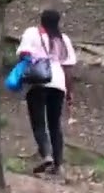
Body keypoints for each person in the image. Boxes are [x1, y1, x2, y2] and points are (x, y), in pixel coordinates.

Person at [16, 9, 77, 175]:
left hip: (38, 81)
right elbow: (68, 68)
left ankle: (47, 155)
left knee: (38, 122)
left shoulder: (31, 33)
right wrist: (69, 92)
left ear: (41, 20)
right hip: (58, 83)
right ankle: (58, 164)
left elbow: (23, 54)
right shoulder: (63, 39)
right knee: (55, 124)